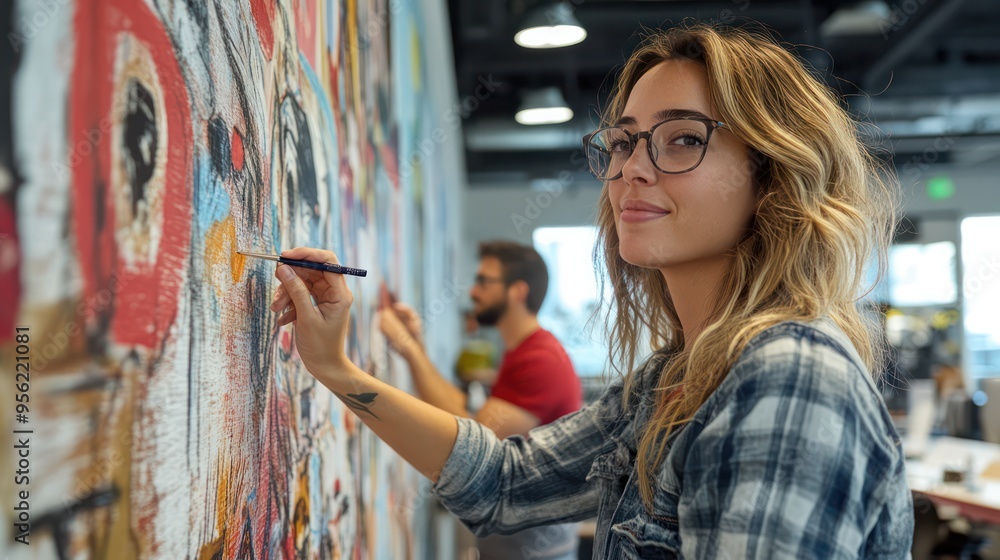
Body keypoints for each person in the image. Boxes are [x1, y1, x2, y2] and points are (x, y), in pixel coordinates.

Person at [268, 22, 913, 558]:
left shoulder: (788, 374)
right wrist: (332, 366)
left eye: (682, 138)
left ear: (773, 177)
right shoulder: (675, 380)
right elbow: (504, 481)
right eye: (624, 141)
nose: (631, 167)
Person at [376, 241, 583, 559]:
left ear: (517, 291)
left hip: (533, 550)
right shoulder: (525, 350)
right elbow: (466, 414)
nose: (473, 292)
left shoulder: (541, 359)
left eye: (483, 281)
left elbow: (472, 436)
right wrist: (414, 345)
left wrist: (410, 350)